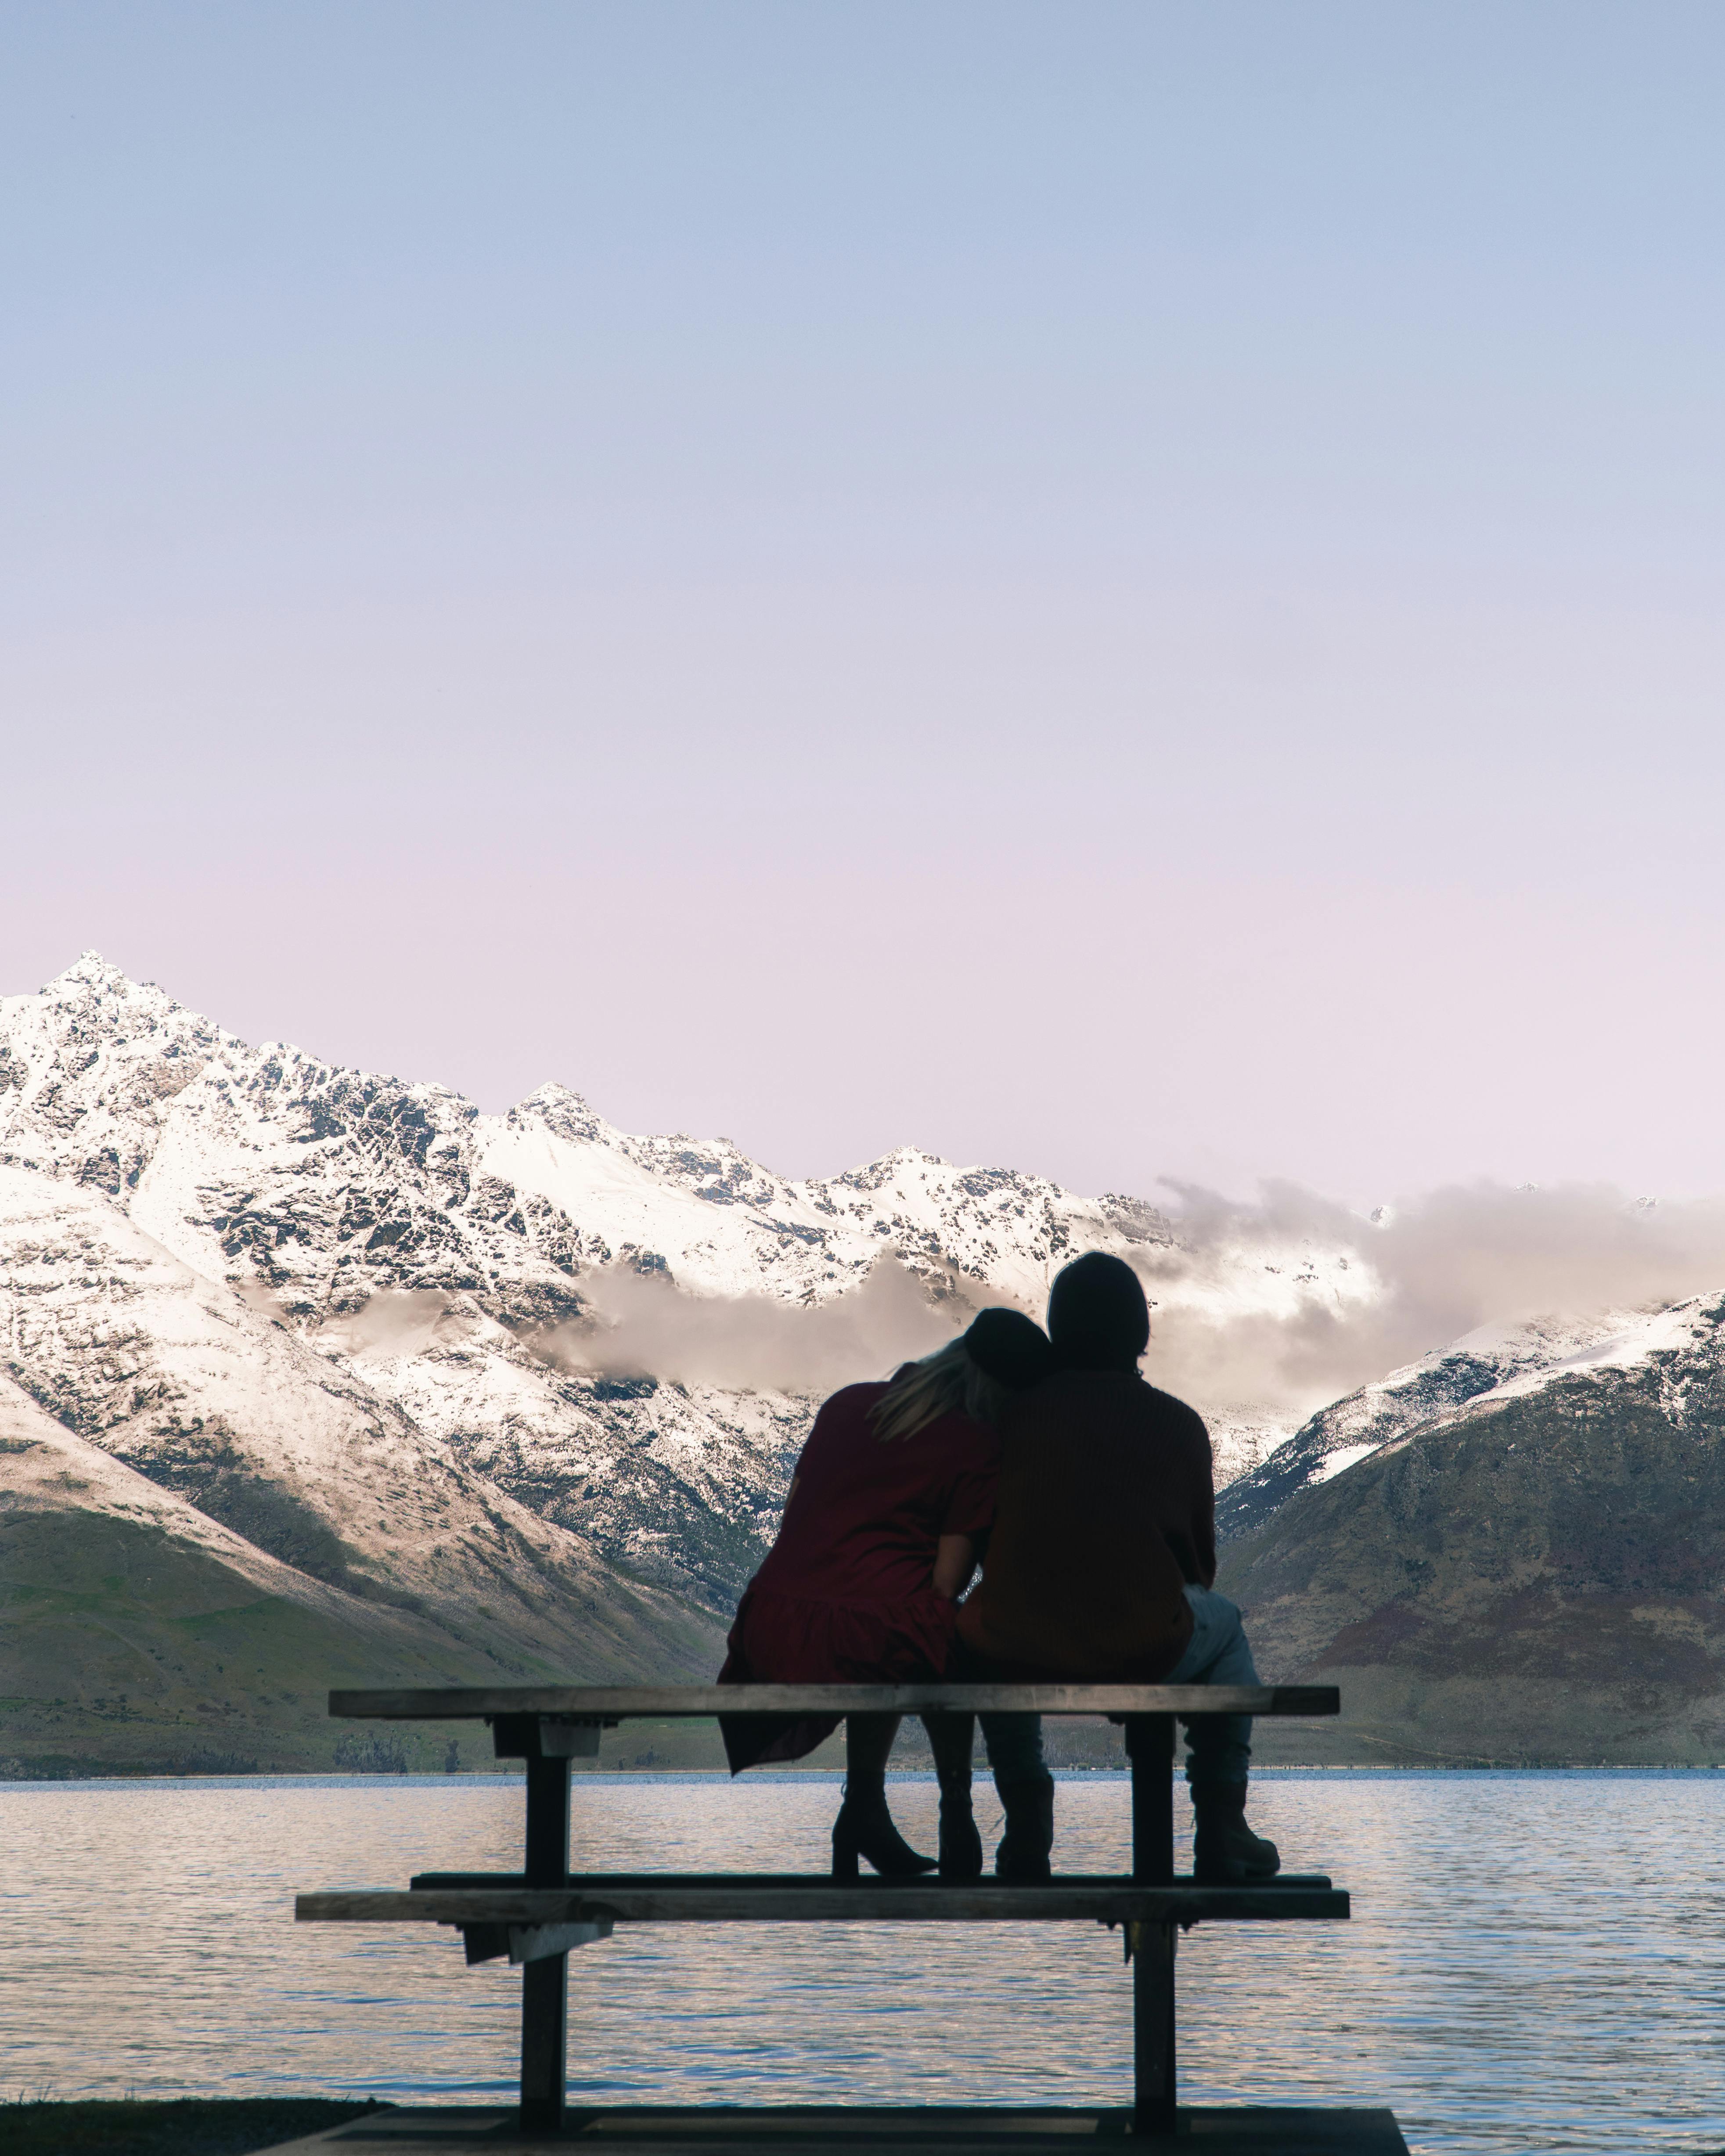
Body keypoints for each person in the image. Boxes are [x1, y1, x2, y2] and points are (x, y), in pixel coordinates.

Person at [954, 1250, 1281, 1886]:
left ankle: (1025, 1816)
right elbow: (1198, 1569)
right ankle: (1221, 1824)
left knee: (990, 1631)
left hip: (1017, 1645)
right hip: (1142, 1644)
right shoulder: (1177, 1425)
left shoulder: (1007, 1420)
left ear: (1056, 1328)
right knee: (1228, 1625)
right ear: (1140, 1333)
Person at [717, 1307, 1053, 1880]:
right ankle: (956, 1814)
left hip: (773, 1622)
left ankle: (865, 1811)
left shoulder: (845, 1404)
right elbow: (947, 1583)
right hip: (871, 1634)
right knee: (936, 1633)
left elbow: (792, 1518)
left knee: (887, 1625)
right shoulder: (975, 1444)